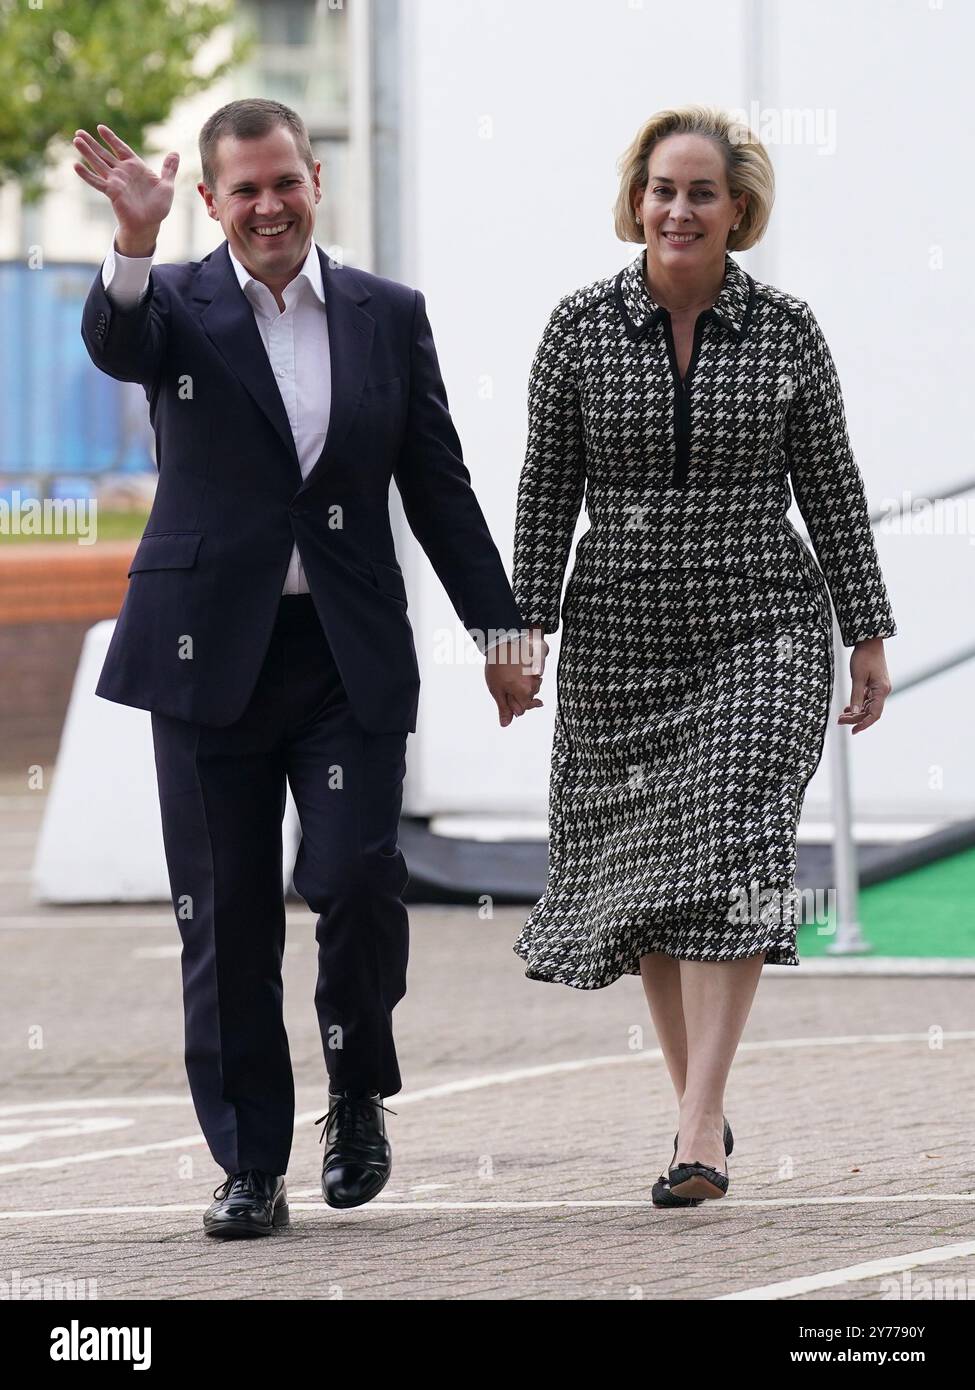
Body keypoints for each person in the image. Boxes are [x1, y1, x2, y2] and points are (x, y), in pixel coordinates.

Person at [75, 98, 543, 1238]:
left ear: (315, 180)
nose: (269, 205)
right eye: (245, 190)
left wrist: (502, 630)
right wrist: (133, 244)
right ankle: (250, 1165)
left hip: (343, 656)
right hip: (202, 659)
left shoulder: (386, 314)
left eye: (285, 182)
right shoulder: (172, 305)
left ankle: (358, 1092)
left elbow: (435, 480)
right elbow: (115, 344)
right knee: (226, 918)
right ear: (212, 201)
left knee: (357, 881)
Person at [510, 104, 896, 1205]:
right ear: (637, 201)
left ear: (740, 210)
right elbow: (546, 492)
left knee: (731, 833)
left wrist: (864, 629)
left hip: (761, 622)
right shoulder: (578, 328)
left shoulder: (787, 330)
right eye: (663, 190)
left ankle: (694, 1123)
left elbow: (831, 485)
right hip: (620, 638)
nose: (679, 210)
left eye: (702, 193)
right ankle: (703, 1118)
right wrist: (516, 632)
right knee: (650, 884)